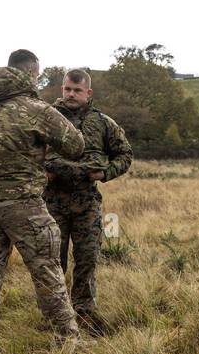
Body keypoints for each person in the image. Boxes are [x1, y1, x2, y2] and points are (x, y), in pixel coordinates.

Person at [0, 49, 85, 354]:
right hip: (26, 205)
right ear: (30, 74)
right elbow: (76, 145)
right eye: (37, 76)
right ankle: (69, 347)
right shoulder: (37, 110)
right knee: (47, 274)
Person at [43, 68, 133, 336]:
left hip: (87, 202)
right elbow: (27, 152)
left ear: (88, 93)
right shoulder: (47, 118)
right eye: (67, 89)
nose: (70, 94)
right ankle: (54, 316)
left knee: (87, 258)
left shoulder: (104, 123)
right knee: (52, 260)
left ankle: (84, 311)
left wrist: (105, 173)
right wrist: (43, 171)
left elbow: (124, 154)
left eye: (77, 90)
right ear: (62, 89)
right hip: (52, 201)